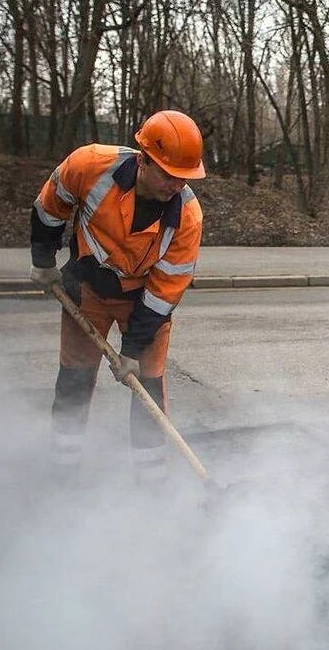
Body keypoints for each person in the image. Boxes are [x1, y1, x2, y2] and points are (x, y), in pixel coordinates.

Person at [28, 110, 205, 485]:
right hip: (87, 290)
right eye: (168, 174)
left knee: (148, 388)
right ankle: (64, 468)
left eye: (184, 178)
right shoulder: (89, 166)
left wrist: (133, 350)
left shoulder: (187, 217)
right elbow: (49, 209)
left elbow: (165, 292)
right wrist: (43, 262)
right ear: (143, 160)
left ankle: (151, 481)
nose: (176, 185)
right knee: (74, 378)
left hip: (144, 301)